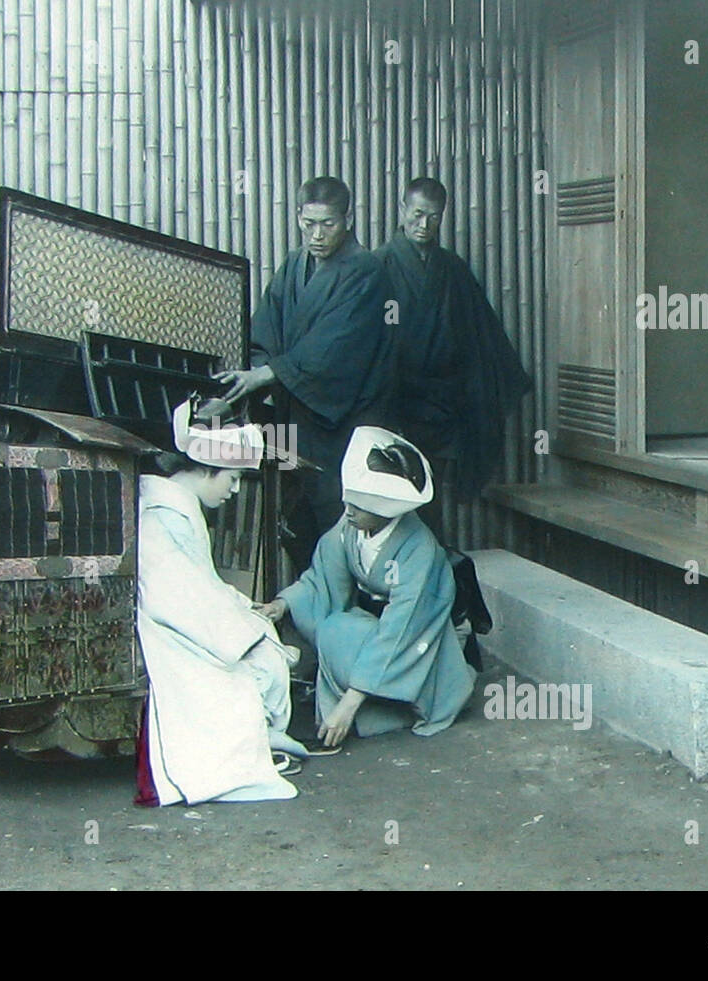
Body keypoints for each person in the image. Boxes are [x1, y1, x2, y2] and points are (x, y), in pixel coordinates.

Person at [258, 427, 477, 747]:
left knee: (347, 636)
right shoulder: (351, 527)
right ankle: (367, 705)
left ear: (385, 508)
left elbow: (402, 628)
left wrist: (350, 703)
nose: (347, 513)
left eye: (357, 508)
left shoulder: (420, 550)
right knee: (335, 628)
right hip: (372, 627)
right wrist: (282, 604)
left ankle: (380, 708)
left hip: (417, 639)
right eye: (348, 503)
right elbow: (321, 576)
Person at [215, 176, 393, 569]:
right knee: (293, 515)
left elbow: (337, 345)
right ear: (297, 216)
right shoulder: (294, 264)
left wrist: (267, 375)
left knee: (338, 518)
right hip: (293, 412)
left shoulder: (366, 271)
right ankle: (302, 606)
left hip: (340, 418)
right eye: (308, 223)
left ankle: (343, 614)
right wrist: (258, 369)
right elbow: (266, 327)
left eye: (327, 224)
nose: (317, 234)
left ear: (347, 219)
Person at [135, 400, 303, 806]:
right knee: (249, 665)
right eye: (232, 477)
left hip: (191, 615)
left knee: (263, 640)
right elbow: (176, 596)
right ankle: (255, 743)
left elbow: (201, 587)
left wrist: (244, 610)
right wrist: (246, 633)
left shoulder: (179, 506)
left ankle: (262, 735)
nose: (234, 489)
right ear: (207, 467)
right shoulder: (162, 514)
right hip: (165, 624)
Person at [374, 177, 532, 547]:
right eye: (417, 214)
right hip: (395, 404)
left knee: (431, 494)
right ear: (402, 210)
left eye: (433, 217)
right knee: (393, 494)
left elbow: (480, 333)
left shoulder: (452, 269)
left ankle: (433, 568)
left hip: (442, 405)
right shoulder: (379, 265)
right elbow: (369, 338)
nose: (424, 225)